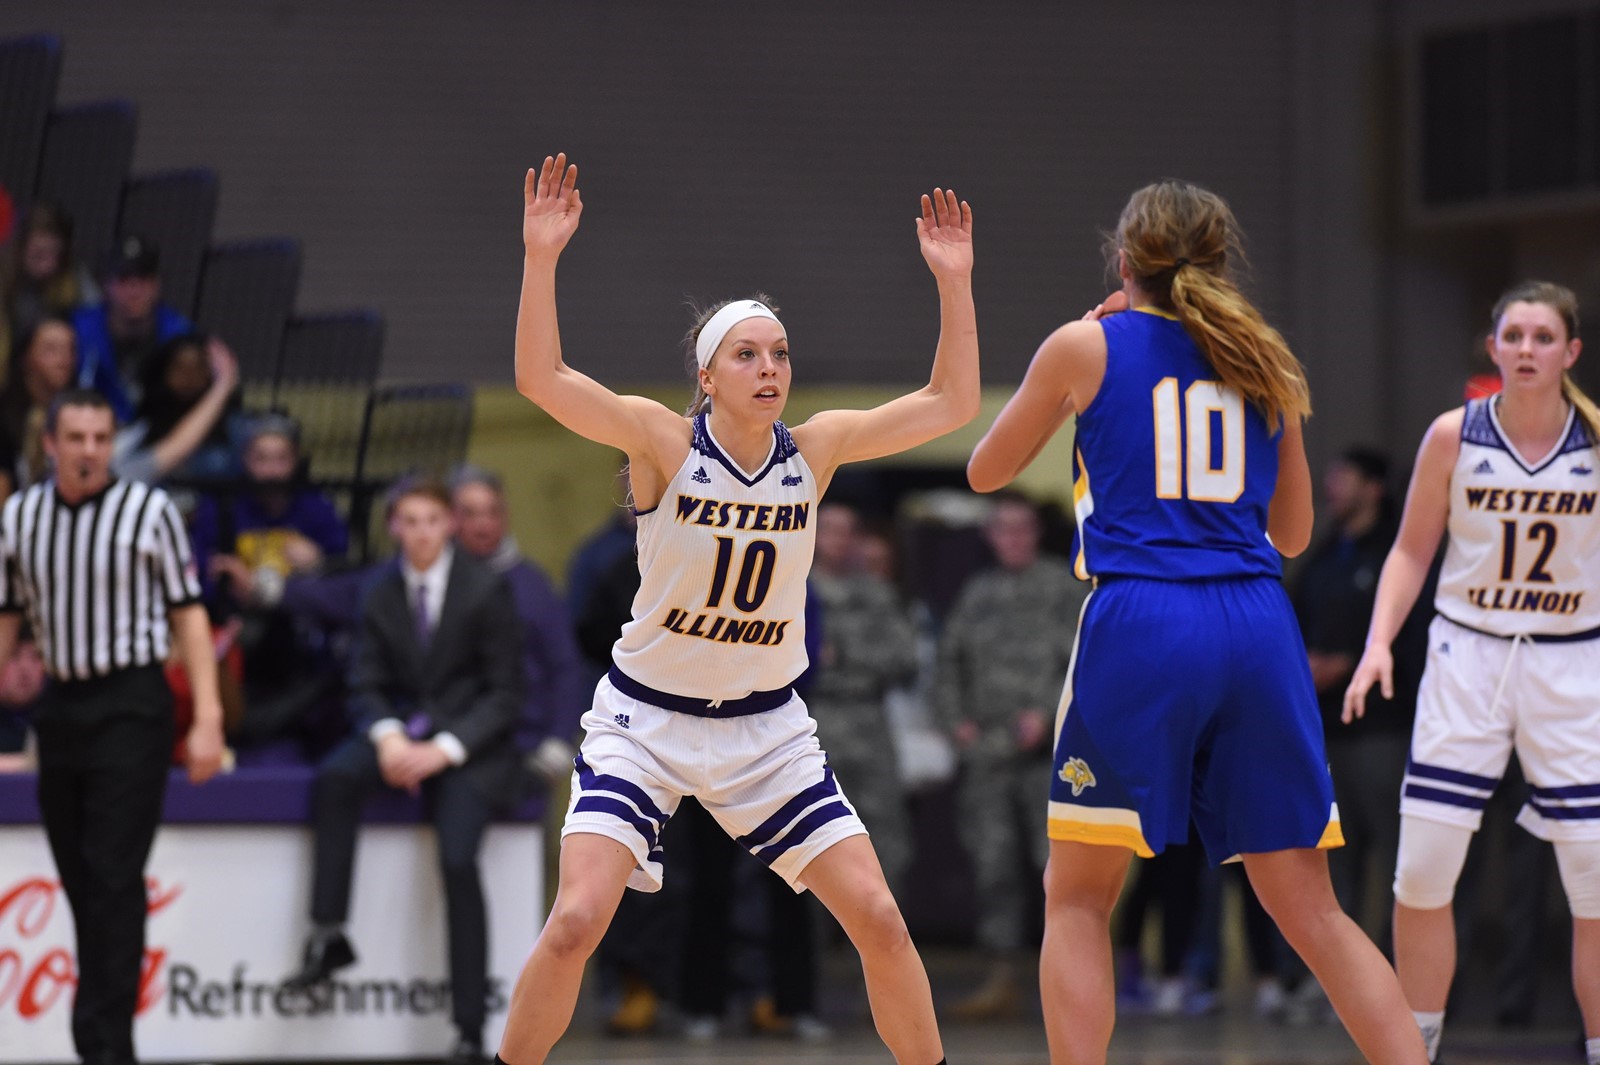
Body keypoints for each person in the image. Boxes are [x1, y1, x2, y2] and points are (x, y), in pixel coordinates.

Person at [496, 153, 977, 1065]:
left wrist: (953, 283)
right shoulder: (662, 441)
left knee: (878, 914)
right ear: (708, 376)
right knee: (573, 923)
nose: (771, 367)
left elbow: (950, 401)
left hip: (767, 730)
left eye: (780, 352)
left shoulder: (818, 448)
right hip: (645, 722)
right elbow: (540, 379)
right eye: (747, 354)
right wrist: (541, 257)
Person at [966, 179, 1427, 1065]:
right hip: (1257, 622)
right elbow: (1292, 533)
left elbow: (989, 471)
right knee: (1314, 911)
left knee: (1077, 899)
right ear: (1217, 261)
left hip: (1143, 616)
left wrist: (1084, 353)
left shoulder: (1086, 344)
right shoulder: (1266, 357)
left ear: (1123, 258)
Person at [1345, 280, 1600, 1065]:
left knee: (1593, 881)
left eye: (1542, 336)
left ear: (1570, 351)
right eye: (1513, 335)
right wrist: (1380, 639)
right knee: (1421, 872)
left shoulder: (1595, 442)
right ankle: (1415, 1047)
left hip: (1571, 660)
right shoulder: (1453, 436)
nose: (1527, 348)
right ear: (1492, 347)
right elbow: (1412, 549)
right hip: (1468, 655)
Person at [0, 388, 226, 1065]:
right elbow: (8, 616)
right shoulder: (19, 516)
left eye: (102, 437)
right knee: (79, 878)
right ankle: (98, 1038)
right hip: (61, 704)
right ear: (50, 444)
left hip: (133, 703)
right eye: (77, 438)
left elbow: (189, 615)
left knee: (113, 876)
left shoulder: (148, 510)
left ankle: (105, 1046)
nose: (91, 450)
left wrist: (209, 716)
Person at [283, 476, 523, 1065]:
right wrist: (389, 740)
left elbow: (505, 694)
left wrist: (443, 749)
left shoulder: (485, 589)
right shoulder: (379, 589)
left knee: (458, 859)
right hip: (402, 731)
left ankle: (470, 1029)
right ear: (394, 527)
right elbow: (363, 680)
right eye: (409, 521)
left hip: (468, 746)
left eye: (432, 521)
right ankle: (328, 933)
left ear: (450, 526)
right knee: (337, 778)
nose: (421, 533)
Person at [934, 490, 1085, 1020]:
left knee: (1059, 873)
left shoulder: (1062, 591)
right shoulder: (977, 593)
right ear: (991, 535)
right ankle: (1002, 980)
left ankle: (1068, 982)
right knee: (991, 867)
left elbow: (1084, 663)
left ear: (1036, 532)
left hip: (1052, 759)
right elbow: (947, 662)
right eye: (1004, 529)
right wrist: (957, 723)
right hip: (988, 759)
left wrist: (1046, 714)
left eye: (1022, 528)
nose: (1013, 539)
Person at [448, 465, 586, 776]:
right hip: (448, 744)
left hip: (524, 746)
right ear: (451, 518)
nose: (483, 525)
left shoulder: (534, 586)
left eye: (492, 512)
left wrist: (559, 739)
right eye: (470, 514)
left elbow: (563, 665)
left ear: (505, 515)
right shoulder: (435, 583)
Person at [72, 235, 191, 423]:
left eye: (143, 278)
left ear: (157, 285)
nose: (134, 290)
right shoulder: (77, 329)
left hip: (163, 438)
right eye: (123, 278)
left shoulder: (180, 335)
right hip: (91, 430)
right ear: (106, 284)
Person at [113, 332, 241, 485]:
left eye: (197, 368)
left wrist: (224, 384)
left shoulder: (236, 432)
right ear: (164, 371)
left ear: (210, 373)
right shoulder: (138, 432)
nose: (189, 377)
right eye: (180, 367)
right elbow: (172, 452)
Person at [0, 314, 75, 491]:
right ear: (25, 355)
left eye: (70, 349)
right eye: (51, 350)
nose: (63, 359)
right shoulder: (3, 413)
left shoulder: (82, 411)